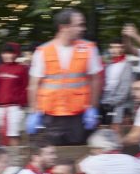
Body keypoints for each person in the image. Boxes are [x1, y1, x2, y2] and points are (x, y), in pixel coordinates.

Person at [28, 8, 103, 145]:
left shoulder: (89, 49)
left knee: (78, 153)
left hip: (79, 115)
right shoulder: (43, 51)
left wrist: (93, 107)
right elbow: (34, 84)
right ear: (64, 27)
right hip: (51, 115)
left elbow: (96, 79)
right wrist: (34, 112)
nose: (83, 28)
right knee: (53, 155)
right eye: (79, 25)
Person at [0, 43, 29, 146]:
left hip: (14, 107)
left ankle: (15, 160)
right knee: (2, 134)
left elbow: (25, 87)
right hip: (0, 107)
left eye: (10, 53)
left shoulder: (22, 69)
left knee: (13, 135)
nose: (7, 55)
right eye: (5, 53)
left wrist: (21, 103)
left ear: (15, 54)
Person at [101, 38, 133, 130]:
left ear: (123, 49)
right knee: (102, 127)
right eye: (112, 47)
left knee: (115, 126)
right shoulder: (107, 63)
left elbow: (125, 89)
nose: (115, 50)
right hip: (104, 100)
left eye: (118, 47)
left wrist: (112, 102)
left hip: (117, 103)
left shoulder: (126, 65)